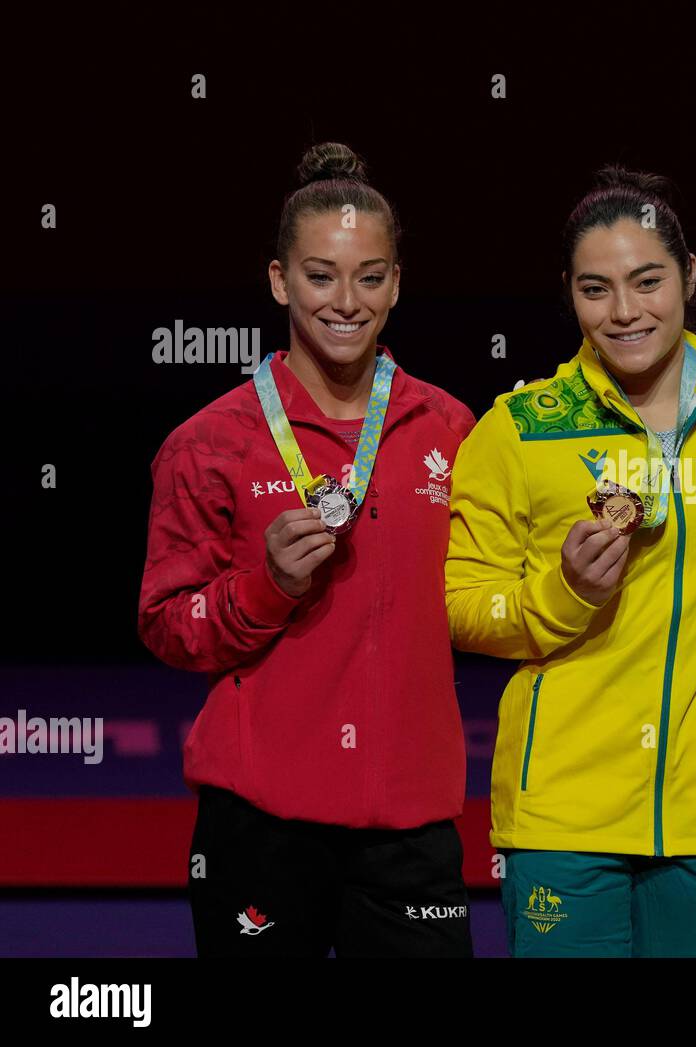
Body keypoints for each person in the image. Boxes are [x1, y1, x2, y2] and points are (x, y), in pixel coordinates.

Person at [445, 166, 696, 957]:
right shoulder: (518, 428)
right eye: (596, 289)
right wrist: (564, 594)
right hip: (563, 809)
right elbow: (464, 606)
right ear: (569, 293)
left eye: (647, 281)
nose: (624, 312)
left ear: (691, 275)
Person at [138, 142, 476, 957]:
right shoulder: (208, 443)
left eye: (370, 275)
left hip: (412, 826)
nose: (346, 301)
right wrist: (264, 589)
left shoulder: (454, 431)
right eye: (321, 275)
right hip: (259, 824)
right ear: (280, 281)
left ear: (397, 281)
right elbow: (165, 624)